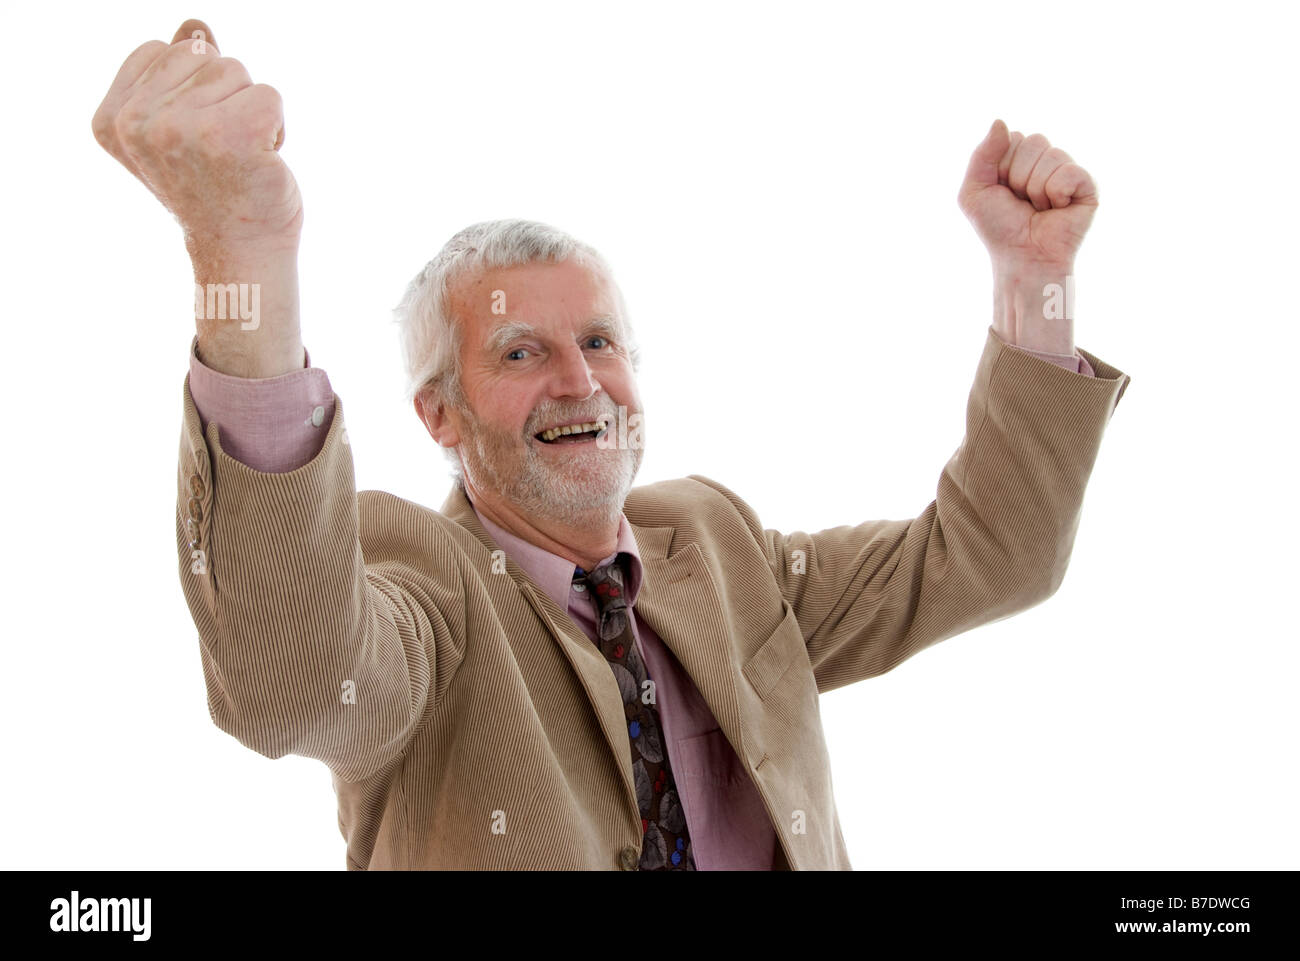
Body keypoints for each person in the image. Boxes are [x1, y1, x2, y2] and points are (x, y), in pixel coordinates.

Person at [92, 19, 1131, 870]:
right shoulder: (425, 581)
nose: (579, 380)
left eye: (598, 342)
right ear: (438, 415)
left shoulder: (714, 542)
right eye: (519, 352)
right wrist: (242, 254)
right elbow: (297, 686)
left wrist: (1032, 280)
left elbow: (992, 557)